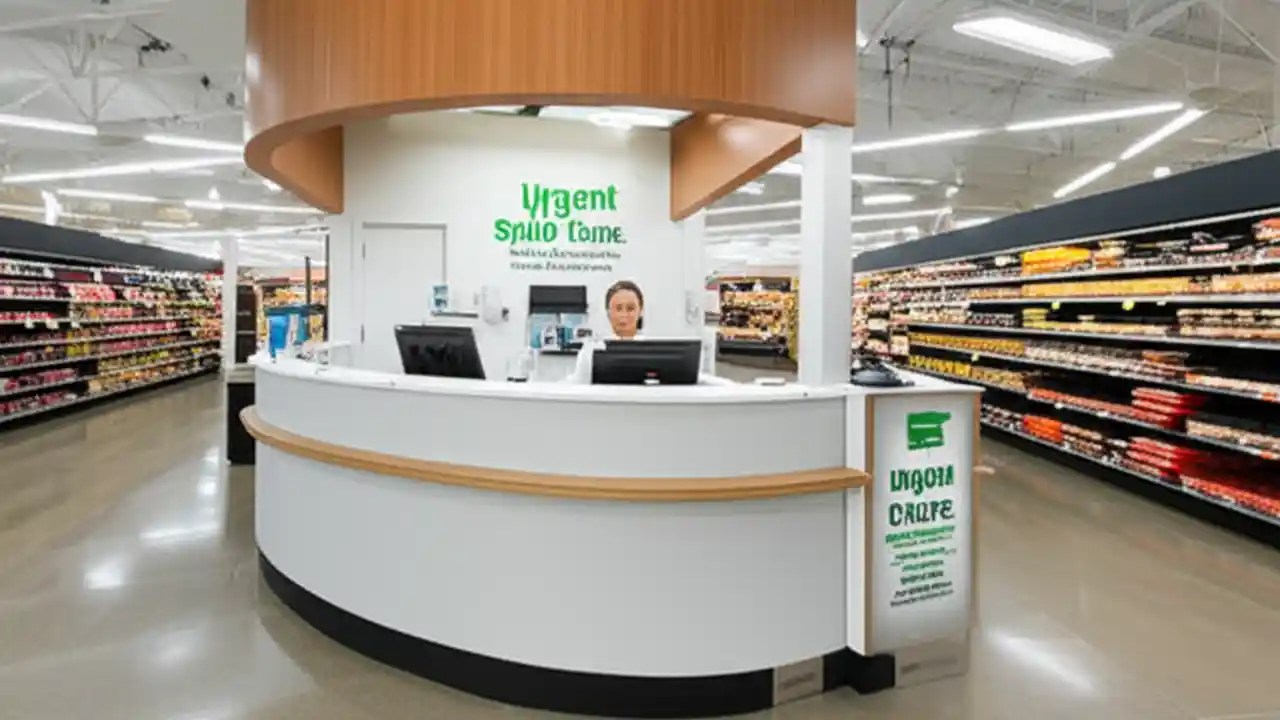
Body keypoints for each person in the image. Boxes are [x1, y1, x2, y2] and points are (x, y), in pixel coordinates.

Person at [568, 280, 645, 382]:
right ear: (608, 313)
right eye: (618, 309)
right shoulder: (591, 350)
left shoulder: (651, 349)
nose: (624, 315)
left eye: (630, 308)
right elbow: (578, 387)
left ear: (640, 311)